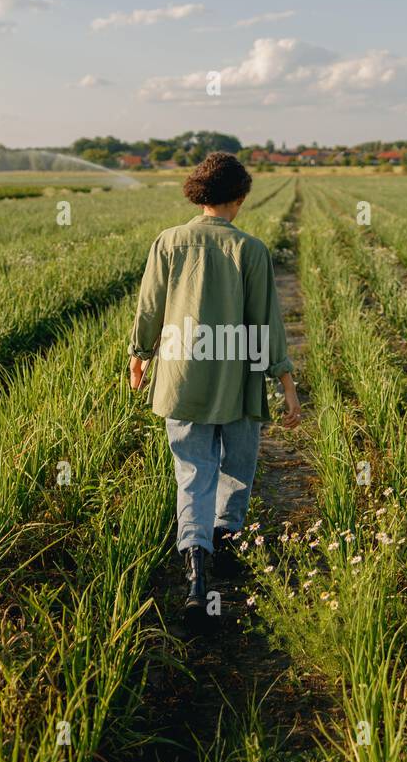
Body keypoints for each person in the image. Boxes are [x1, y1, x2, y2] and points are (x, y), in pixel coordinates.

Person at [128, 152, 301, 633]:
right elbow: (267, 324)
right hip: (238, 378)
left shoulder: (168, 242)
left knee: (192, 473)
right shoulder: (251, 250)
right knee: (236, 468)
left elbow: (149, 307)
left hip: (183, 379)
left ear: (199, 194)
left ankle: (196, 576)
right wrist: (286, 385)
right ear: (239, 198)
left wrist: (139, 357)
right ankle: (227, 548)